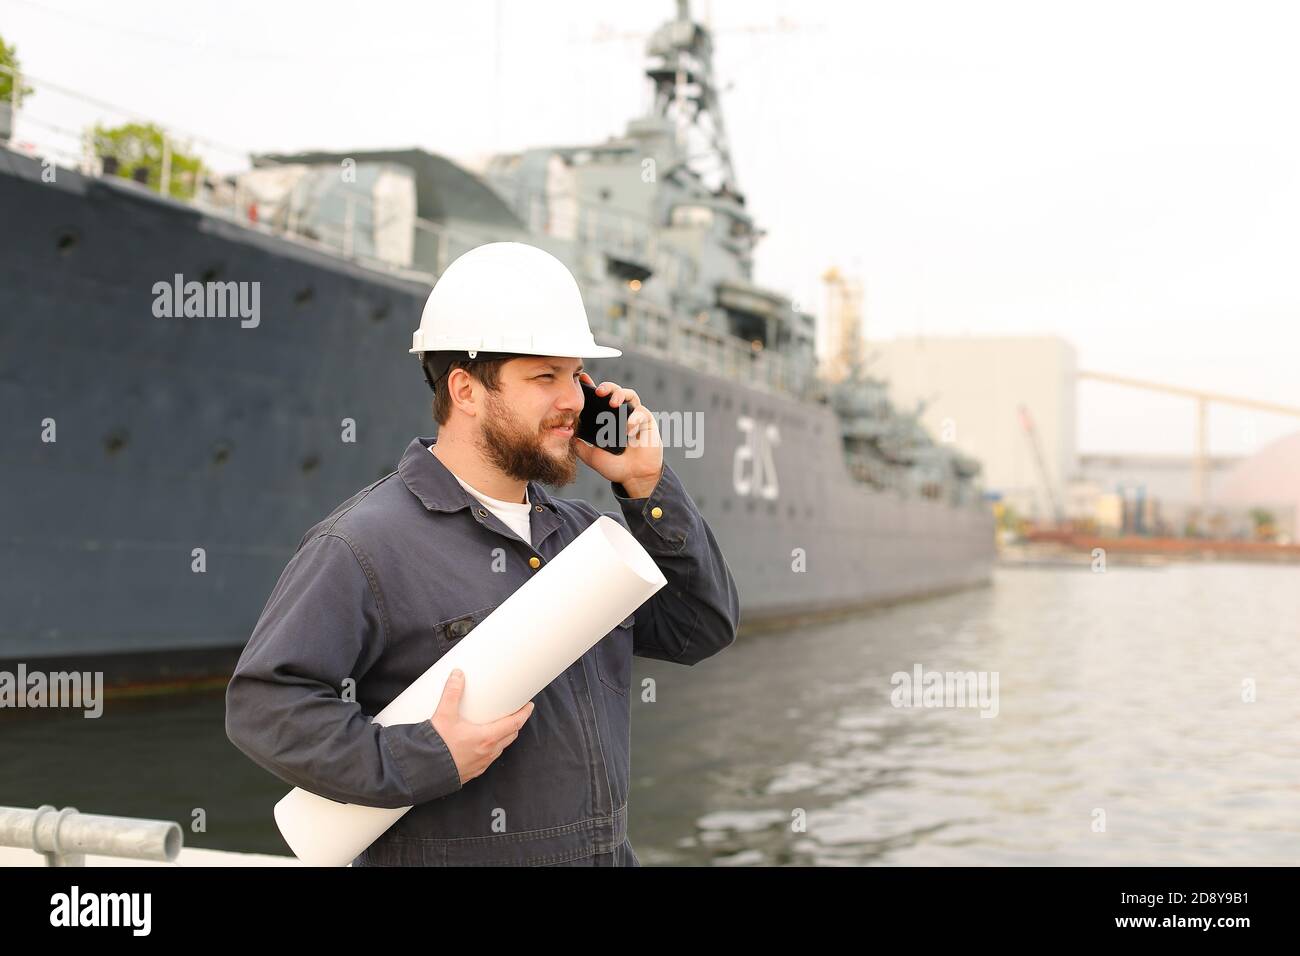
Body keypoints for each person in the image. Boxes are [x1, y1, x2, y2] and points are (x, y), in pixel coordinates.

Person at [225, 241, 740, 866]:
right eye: (544, 376)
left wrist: (645, 487)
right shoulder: (365, 544)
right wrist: (421, 759)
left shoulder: (584, 537)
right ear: (466, 390)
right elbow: (265, 705)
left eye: (576, 376)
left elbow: (702, 628)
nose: (575, 400)